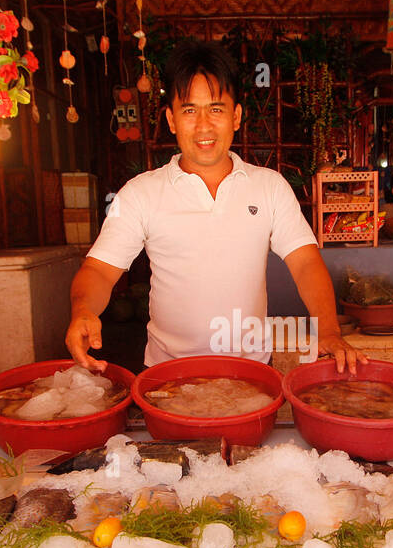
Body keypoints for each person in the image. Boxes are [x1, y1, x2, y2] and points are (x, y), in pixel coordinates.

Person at [66, 39, 366, 374]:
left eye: (217, 109)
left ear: (236, 116)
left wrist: (328, 330)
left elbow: (305, 262)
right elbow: (99, 270)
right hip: (168, 375)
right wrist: (82, 311)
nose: (204, 125)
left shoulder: (269, 187)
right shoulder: (139, 194)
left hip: (251, 371)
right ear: (171, 119)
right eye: (190, 110)